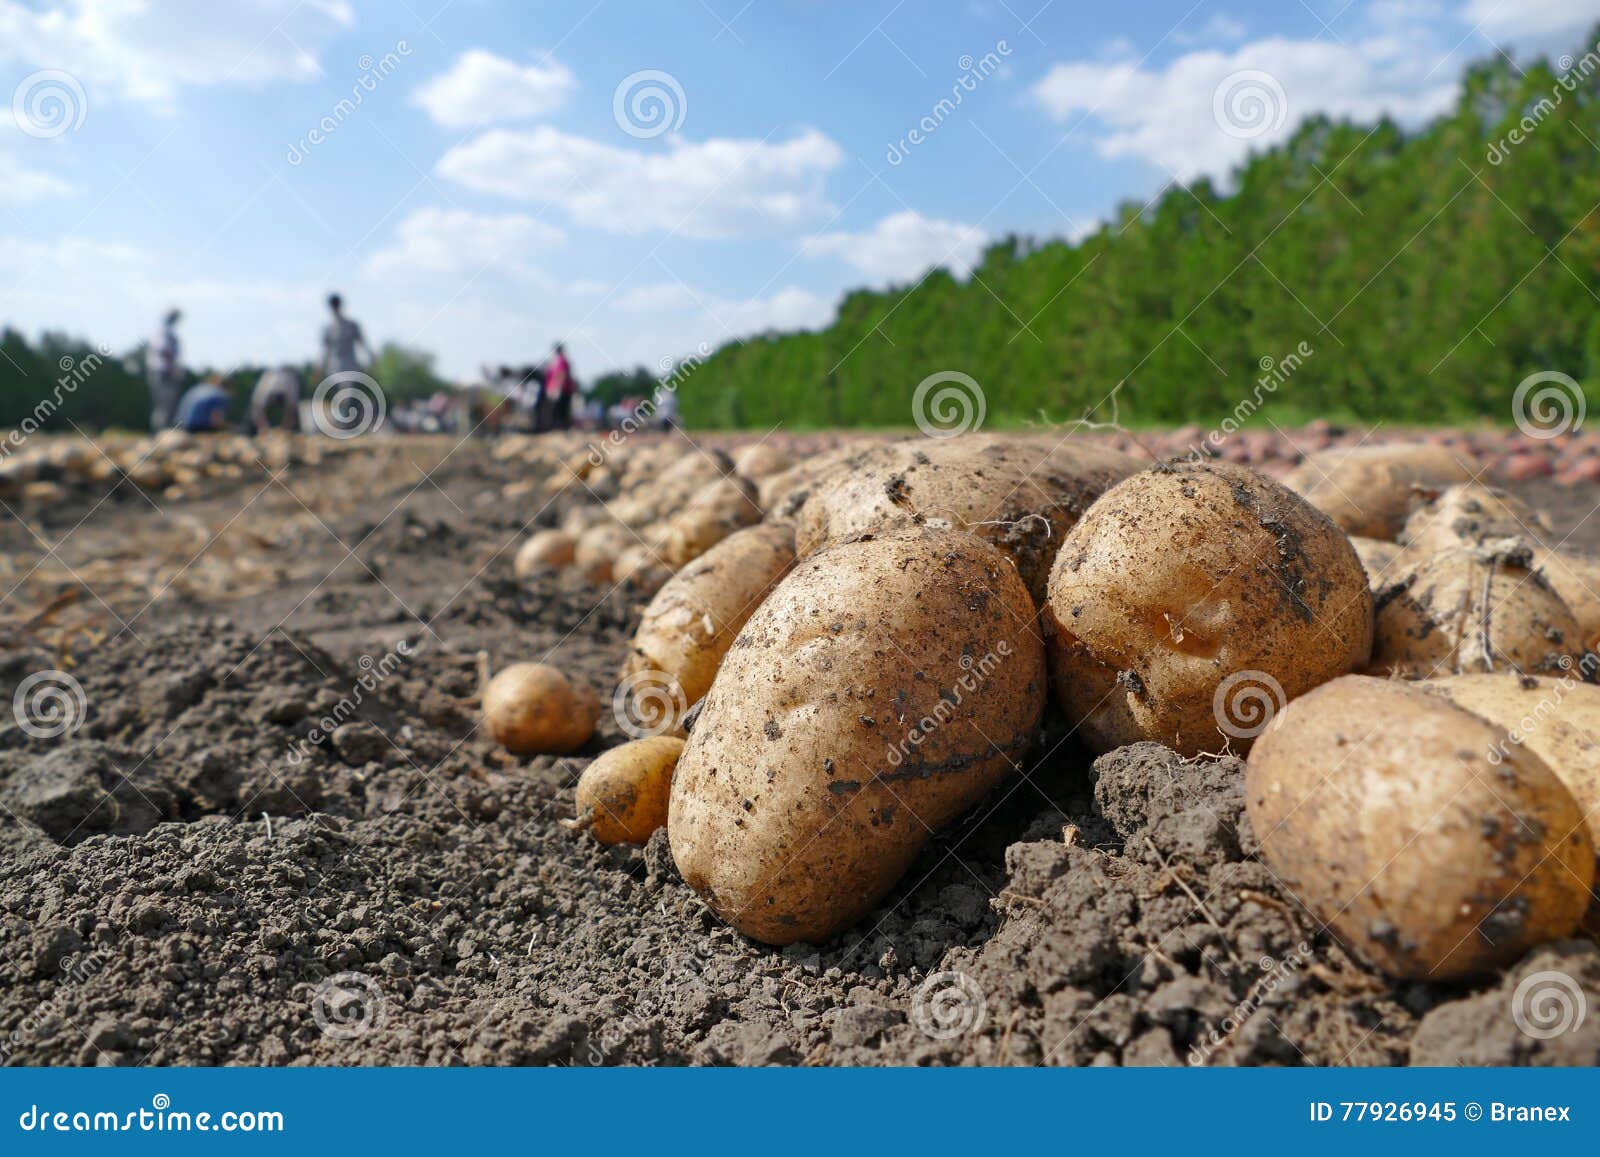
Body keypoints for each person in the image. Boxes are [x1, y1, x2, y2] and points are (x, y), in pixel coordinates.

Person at [320, 293, 373, 382]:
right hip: (334, 369)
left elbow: (363, 343)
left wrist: (371, 359)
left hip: (349, 367)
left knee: (346, 391)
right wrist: (320, 367)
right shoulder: (328, 329)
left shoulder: (351, 325)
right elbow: (326, 350)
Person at [146, 308, 183, 429]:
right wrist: (174, 367)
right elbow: (163, 349)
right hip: (162, 373)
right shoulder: (163, 331)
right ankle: (160, 432)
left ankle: (162, 432)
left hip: (162, 372)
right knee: (164, 405)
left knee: (164, 405)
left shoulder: (164, 331)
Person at [250, 366, 302, 432]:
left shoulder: (289, 381)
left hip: (285, 381)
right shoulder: (268, 382)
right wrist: (265, 429)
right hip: (278, 383)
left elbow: (291, 411)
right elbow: (257, 410)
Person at [545, 342, 575, 431]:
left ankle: (561, 428)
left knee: (561, 411)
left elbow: (561, 375)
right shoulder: (556, 362)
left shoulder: (561, 361)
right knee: (558, 411)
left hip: (562, 390)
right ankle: (558, 428)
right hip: (561, 389)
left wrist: (556, 389)